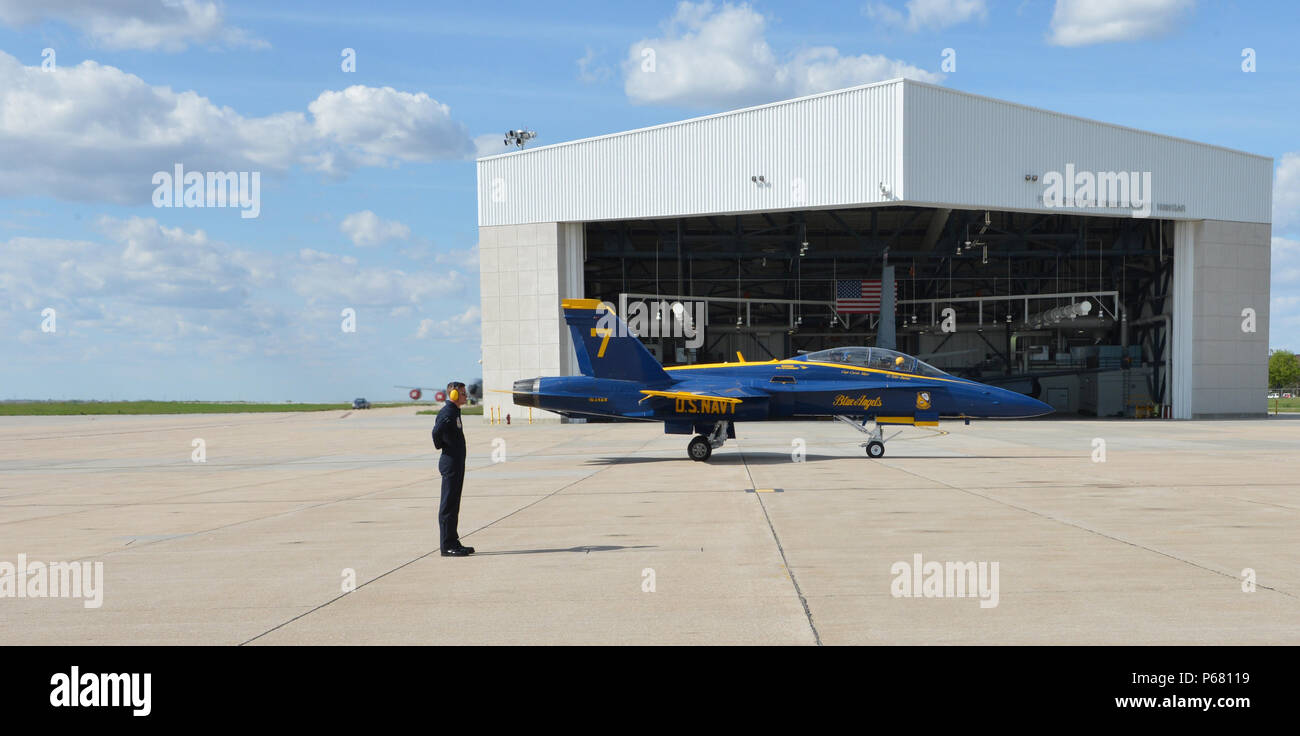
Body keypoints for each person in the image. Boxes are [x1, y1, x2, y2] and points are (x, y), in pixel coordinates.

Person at [432, 381, 474, 556]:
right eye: (463, 393)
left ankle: (453, 541)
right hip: (450, 463)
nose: (466, 396)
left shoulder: (454, 411)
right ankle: (447, 546)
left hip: (456, 463)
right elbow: (436, 433)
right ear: (454, 395)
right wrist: (441, 445)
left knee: (454, 504)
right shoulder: (447, 413)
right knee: (448, 505)